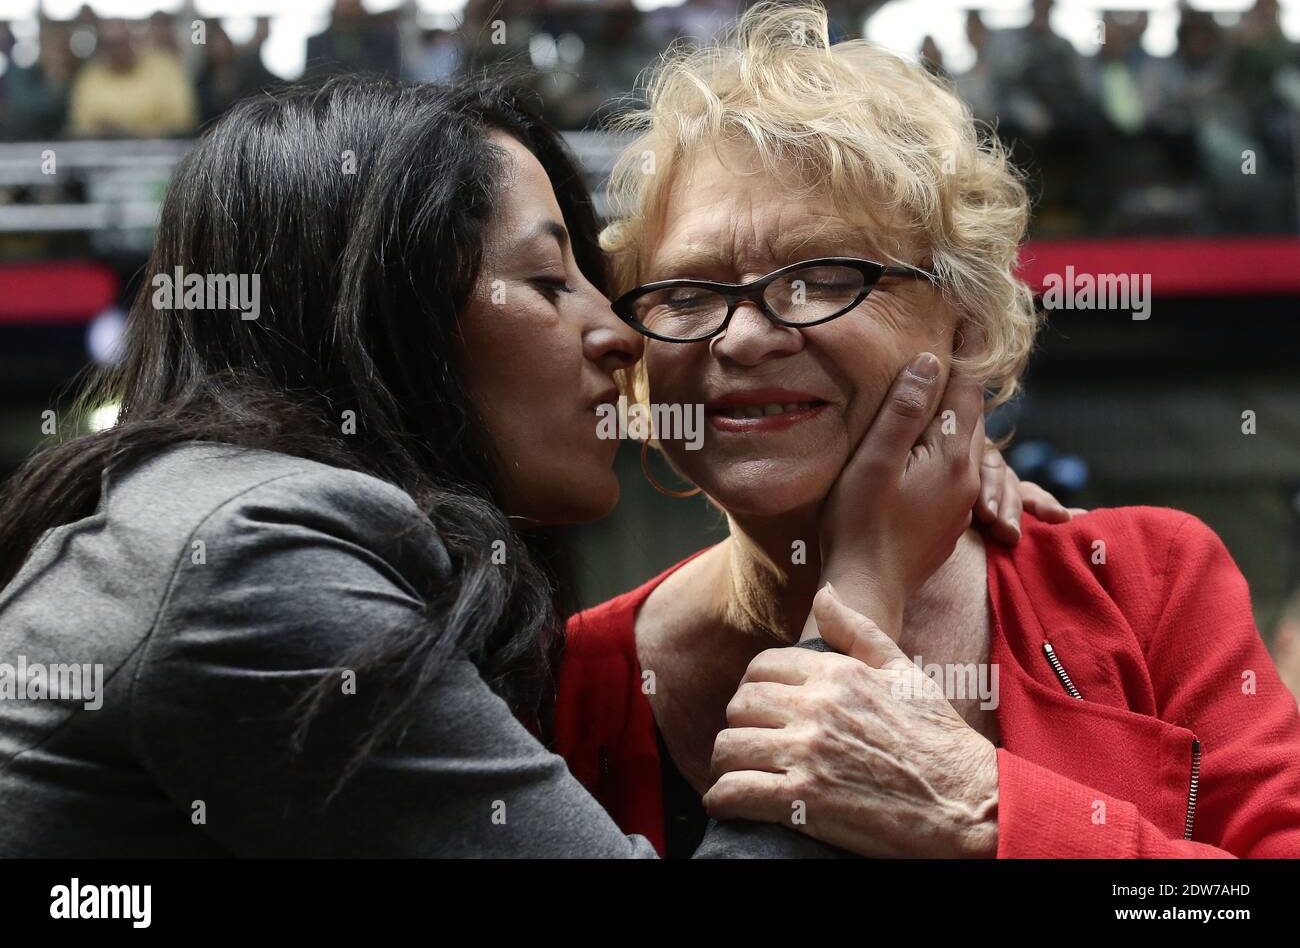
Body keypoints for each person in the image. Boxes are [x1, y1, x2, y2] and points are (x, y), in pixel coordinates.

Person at [1, 75, 899, 858]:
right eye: (549, 281)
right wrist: (860, 584)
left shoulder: (196, 518)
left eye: (824, 281)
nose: (620, 334)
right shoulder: (254, 564)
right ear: (389, 319)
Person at [554, 0, 1300, 858]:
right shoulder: (573, 682)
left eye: (824, 276)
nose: (745, 335)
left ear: (966, 324)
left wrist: (981, 810)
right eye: (686, 295)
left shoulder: (1144, 583)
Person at [66, 18, 197, 137]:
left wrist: (139, 132)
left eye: (121, 42)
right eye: (111, 44)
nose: (117, 50)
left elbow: (182, 119)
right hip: (102, 153)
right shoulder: (90, 77)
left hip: (161, 151)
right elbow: (80, 125)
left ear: (132, 39)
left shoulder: (165, 68)